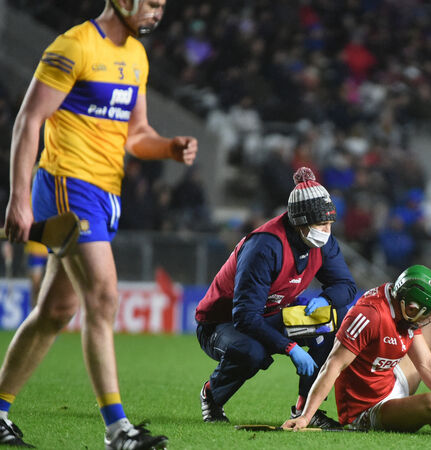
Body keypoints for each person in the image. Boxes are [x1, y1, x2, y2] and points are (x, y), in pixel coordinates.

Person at [1, 0, 197, 448]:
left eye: (162, 5)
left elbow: (137, 135)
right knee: (104, 296)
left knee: (55, 311)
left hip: (106, 193)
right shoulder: (74, 46)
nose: (157, 13)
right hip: (67, 185)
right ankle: (117, 430)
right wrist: (18, 199)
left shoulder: (136, 55)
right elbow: (28, 120)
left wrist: (169, 147)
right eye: (151, 4)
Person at [195, 167, 356, 428]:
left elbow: (346, 286)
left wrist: (326, 300)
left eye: (329, 224)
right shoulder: (264, 247)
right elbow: (245, 317)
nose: (327, 231)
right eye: (321, 224)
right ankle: (211, 395)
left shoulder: (322, 242)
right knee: (252, 352)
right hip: (222, 323)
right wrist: (290, 348)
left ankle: (305, 410)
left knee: (333, 325)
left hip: (271, 316)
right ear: (300, 222)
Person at [281, 265, 431, 434]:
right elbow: (333, 365)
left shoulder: (400, 301)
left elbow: (426, 363)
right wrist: (305, 417)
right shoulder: (370, 315)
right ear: (411, 308)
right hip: (370, 409)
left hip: (390, 379)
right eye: (429, 313)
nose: (430, 318)